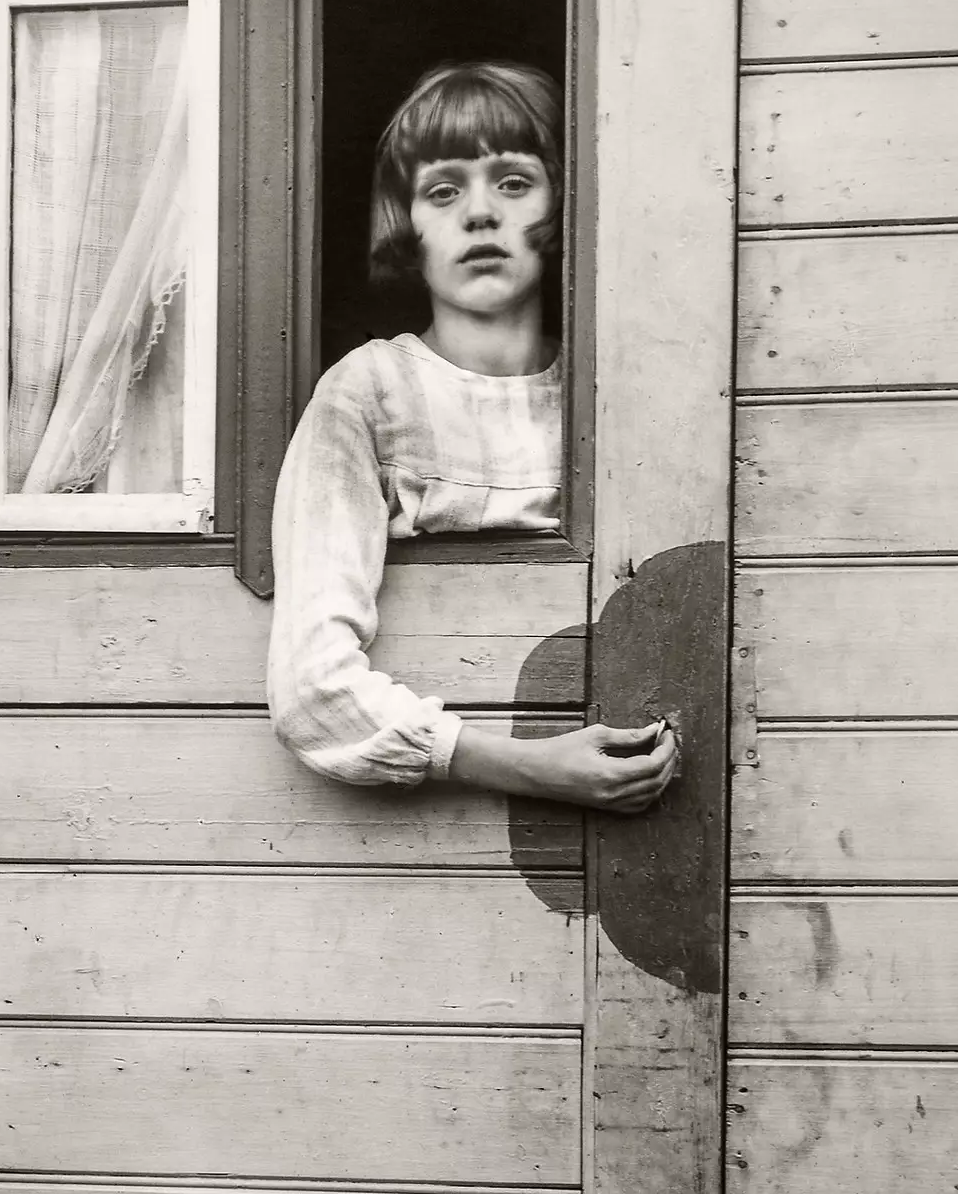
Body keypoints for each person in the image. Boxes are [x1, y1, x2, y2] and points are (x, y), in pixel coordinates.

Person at [268, 59, 678, 813]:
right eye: (444, 189)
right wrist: (530, 767)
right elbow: (309, 686)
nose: (481, 214)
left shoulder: (626, 386)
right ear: (408, 220)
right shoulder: (367, 391)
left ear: (562, 205)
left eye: (514, 182)